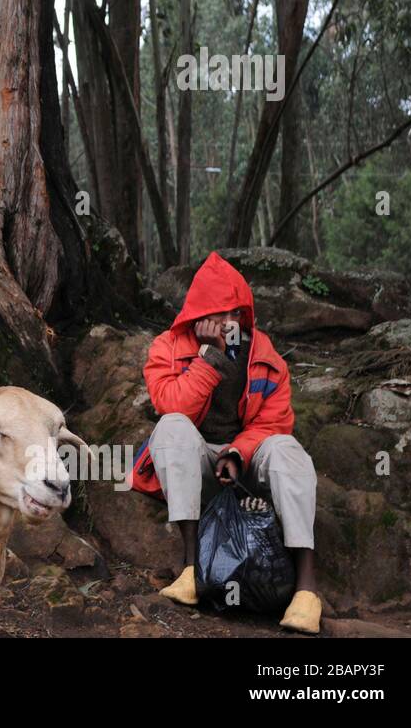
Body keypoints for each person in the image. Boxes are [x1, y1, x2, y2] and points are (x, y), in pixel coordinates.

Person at [133, 251, 322, 634]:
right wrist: (211, 359)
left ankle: (306, 589)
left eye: (238, 313)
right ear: (199, 314)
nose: (230, 322)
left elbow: (275, 422)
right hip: (195, 464)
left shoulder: (265, 356)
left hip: (246, 465)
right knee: (170, 426)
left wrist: (239, 452)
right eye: (221, 312)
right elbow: (173, 406)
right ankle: (192, 569)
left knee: (288, 449)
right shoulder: (166, 348)